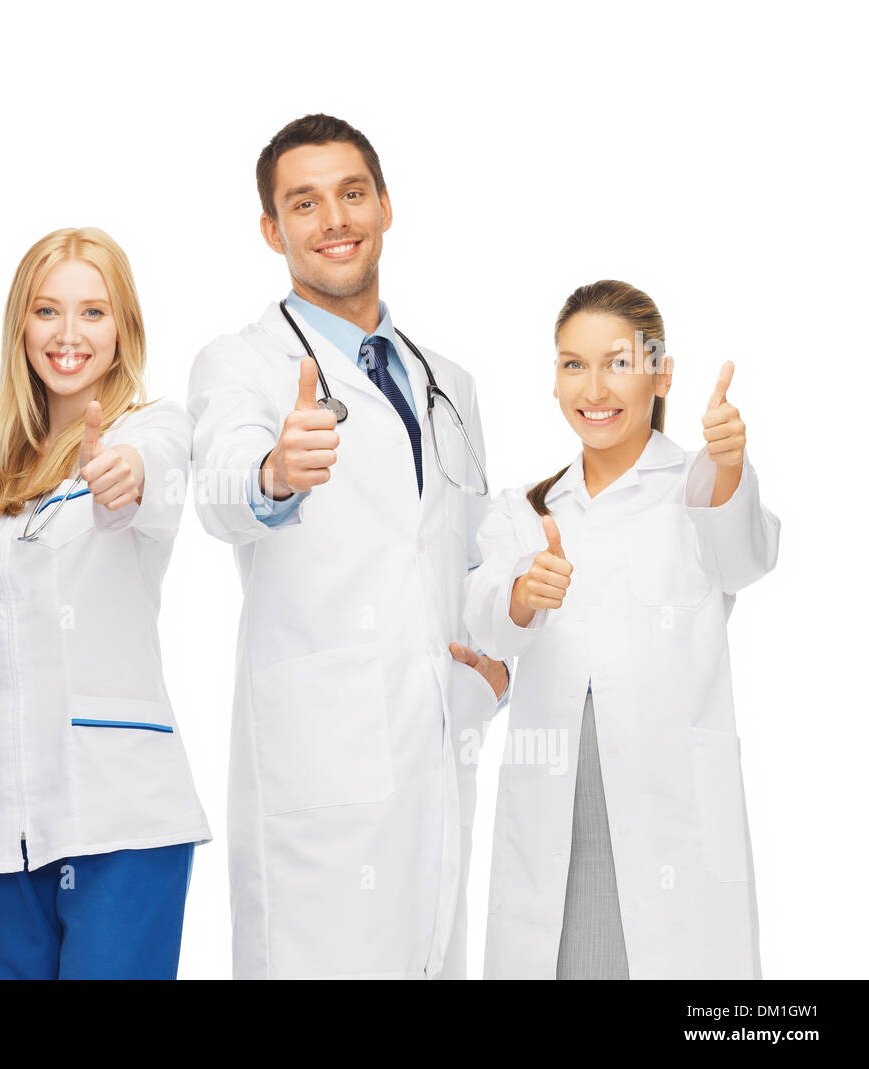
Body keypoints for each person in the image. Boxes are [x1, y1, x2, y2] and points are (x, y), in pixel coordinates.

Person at [187, 114, 509, 979]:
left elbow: (470, 555)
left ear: (385, 206)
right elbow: (220, 490)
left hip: (438, 751)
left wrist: (497, 662)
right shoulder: (242, 365)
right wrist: (277, 471)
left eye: (351, 193)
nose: (334, 219)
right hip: (319, 770)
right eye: (305, 202)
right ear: (272, 229)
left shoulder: (450, 382)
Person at [464, 279, 780, 979]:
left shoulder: (697, 484)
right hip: (561, 819)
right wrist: (523, 592)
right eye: (573, 363)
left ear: (661, 373)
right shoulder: (525, 509)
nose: (594, 385)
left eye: (618, 361)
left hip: (673, 816)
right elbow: (489, 618)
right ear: (553, 381)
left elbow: (744, 555)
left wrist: (729, 465)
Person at [0, 227, 211, 980]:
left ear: (123, 328)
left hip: (117, 816)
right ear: (18, 326)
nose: (68, 335)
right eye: (46, 311)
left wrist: (122, 475)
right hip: (0, 826)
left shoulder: (149, 430)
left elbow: (143, 480)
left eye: (93, 312)